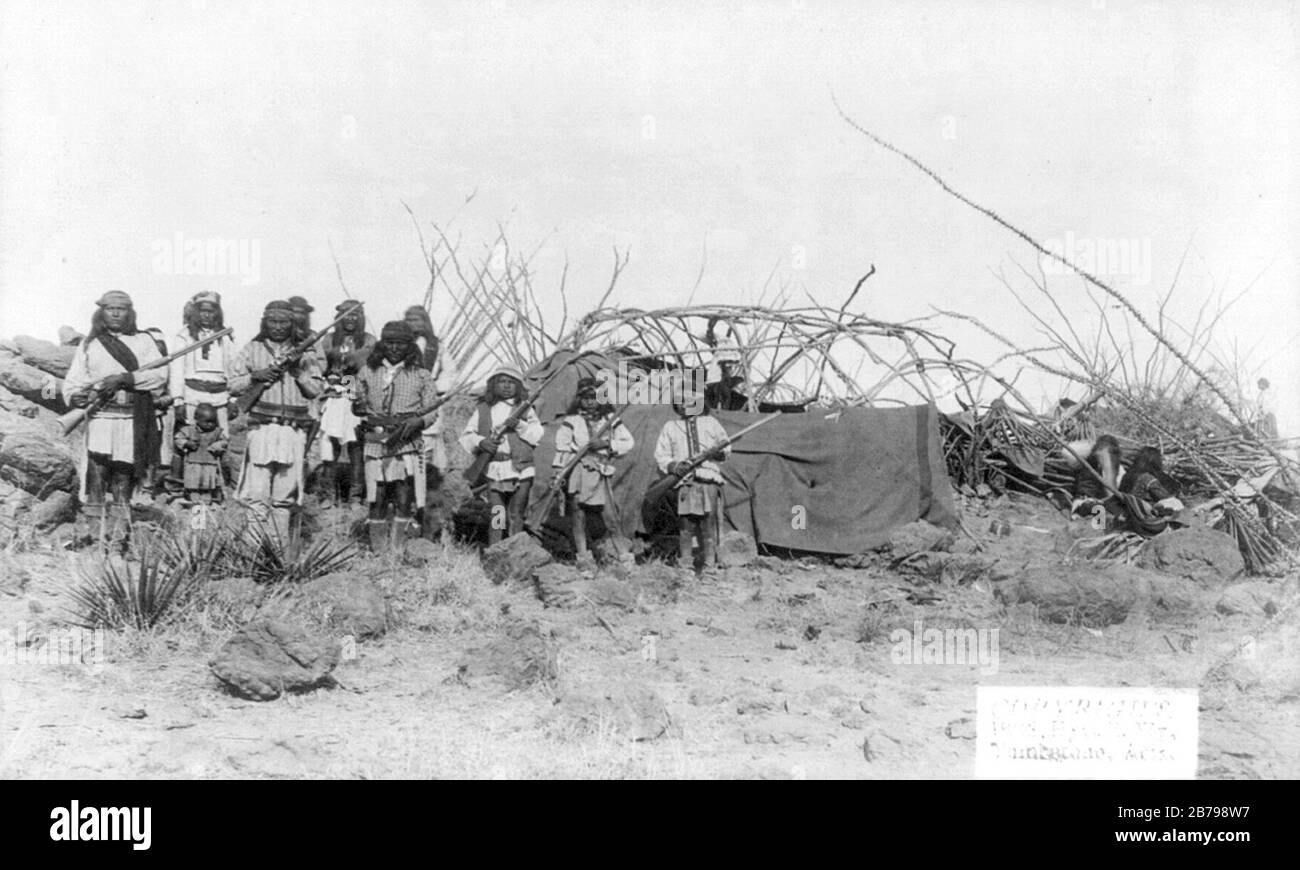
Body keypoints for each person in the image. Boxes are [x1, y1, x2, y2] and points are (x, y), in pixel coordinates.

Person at [62, 291, 169, 548]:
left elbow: (160, 376)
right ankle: (95, 536)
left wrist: (126, 379)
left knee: (124, 476)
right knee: (98, 474)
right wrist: (75, 397)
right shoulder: (90, 344)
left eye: (122, 309)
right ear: (101, 311)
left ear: (130, 312)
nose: (116, 313)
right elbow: (74, 381)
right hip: (100, 416)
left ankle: (118, 537)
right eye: (110, 308)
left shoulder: (144, 341)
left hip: (132, 418)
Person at [227, 300, 326, 543]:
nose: (279, 327)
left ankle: (278, 551)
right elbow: (231, 384)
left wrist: (297, 372)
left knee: (284, 498)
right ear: (265, 322)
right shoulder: (252, 349)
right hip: (262, 429)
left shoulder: (307, 354)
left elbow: (316, 390)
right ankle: (252, 550)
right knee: (257, 495)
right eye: (273, 321)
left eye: (284, 322)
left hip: (293, 431)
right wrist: (256, 377)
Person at [352, 321, 443, 552]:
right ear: (382, 344)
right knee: (377, 496)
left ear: (409, 346)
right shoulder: (367, 371)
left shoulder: (421, 375)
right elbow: (353, 398)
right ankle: (379, 551)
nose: (394, 348)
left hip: (407, 443)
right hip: (375, 442)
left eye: (400, 344)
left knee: (404, 496)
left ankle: (398, 549)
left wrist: (418, 421)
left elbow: (432, 409)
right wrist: (357, 404)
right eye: (390, 343)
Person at [552, 377, 634, 569]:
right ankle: (584, 559)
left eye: (594, 397)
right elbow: (562, 448)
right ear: (579, 399)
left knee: (610, 518)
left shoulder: (611, 420)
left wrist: (606, 444)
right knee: (578, 515)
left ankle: (624, 559)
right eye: (585, 397)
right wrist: (559, 473)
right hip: (578, 471)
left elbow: (628, 442)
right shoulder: (571, 421)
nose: (590, 401)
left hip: (600, 471)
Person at [459, 367, 544, 545]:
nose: (506, 386)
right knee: (497, 512)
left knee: (516, 513)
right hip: (495, 468)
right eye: (502, 381)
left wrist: (520, 425)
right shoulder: (483, 408)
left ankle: (515, 551)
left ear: (518, 386)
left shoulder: (525, 408)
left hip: (521, 468)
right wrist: (482, 442)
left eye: (511, 382)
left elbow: (537, 435)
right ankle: (495, 549)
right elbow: (467, 435)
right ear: (493, 385)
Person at [653, 387, 731, 576]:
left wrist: (715, 453)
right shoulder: (670, 426)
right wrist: (675, 466)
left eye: (691, 400)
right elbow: (661, 455)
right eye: (682, 401)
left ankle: (709, 566)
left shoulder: (711, 422)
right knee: (686, 526)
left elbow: (726, 447)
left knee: (708, 524)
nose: (686, 404)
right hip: (685, 481)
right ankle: (686, 565)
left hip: (707, 478)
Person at [168, 291, 236, 494]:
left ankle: (219, 486)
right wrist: (178, 400)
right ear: (196, 312)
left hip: (219, 396)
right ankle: (179, 487)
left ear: (217, 313)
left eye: (211, 311)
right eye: (203, 311)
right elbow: (177, 368)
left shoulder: (225, 336)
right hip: (192, 394)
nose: (207, 315)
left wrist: (232, 398)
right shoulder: (184, 336)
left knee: (221, 438)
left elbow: (234, 367)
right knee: (187, 439)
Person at [318, 301, 375, 507]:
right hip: (333, 395)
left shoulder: (368, 340)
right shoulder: (328, 339)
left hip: (357, 396)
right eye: (346, 316)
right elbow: (321, 365)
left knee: (356, 447)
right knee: (329, 445)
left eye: (355, 316)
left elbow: (369, 366)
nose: (350, 320)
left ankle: (356, 495)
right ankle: (327, 493)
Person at [174, 402, 228, 504]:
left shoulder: (217, 432)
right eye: (207, 422)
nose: (210, 424)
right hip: (193, 461)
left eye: (213, 422)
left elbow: (224, 442)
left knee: (208, 478)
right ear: (197, 419)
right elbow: (178, 438)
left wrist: (217, 446)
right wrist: (186, 443)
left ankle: (206, 493)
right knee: (193, 477)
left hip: (210, 462)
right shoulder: (189, 430)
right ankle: (193, 492)